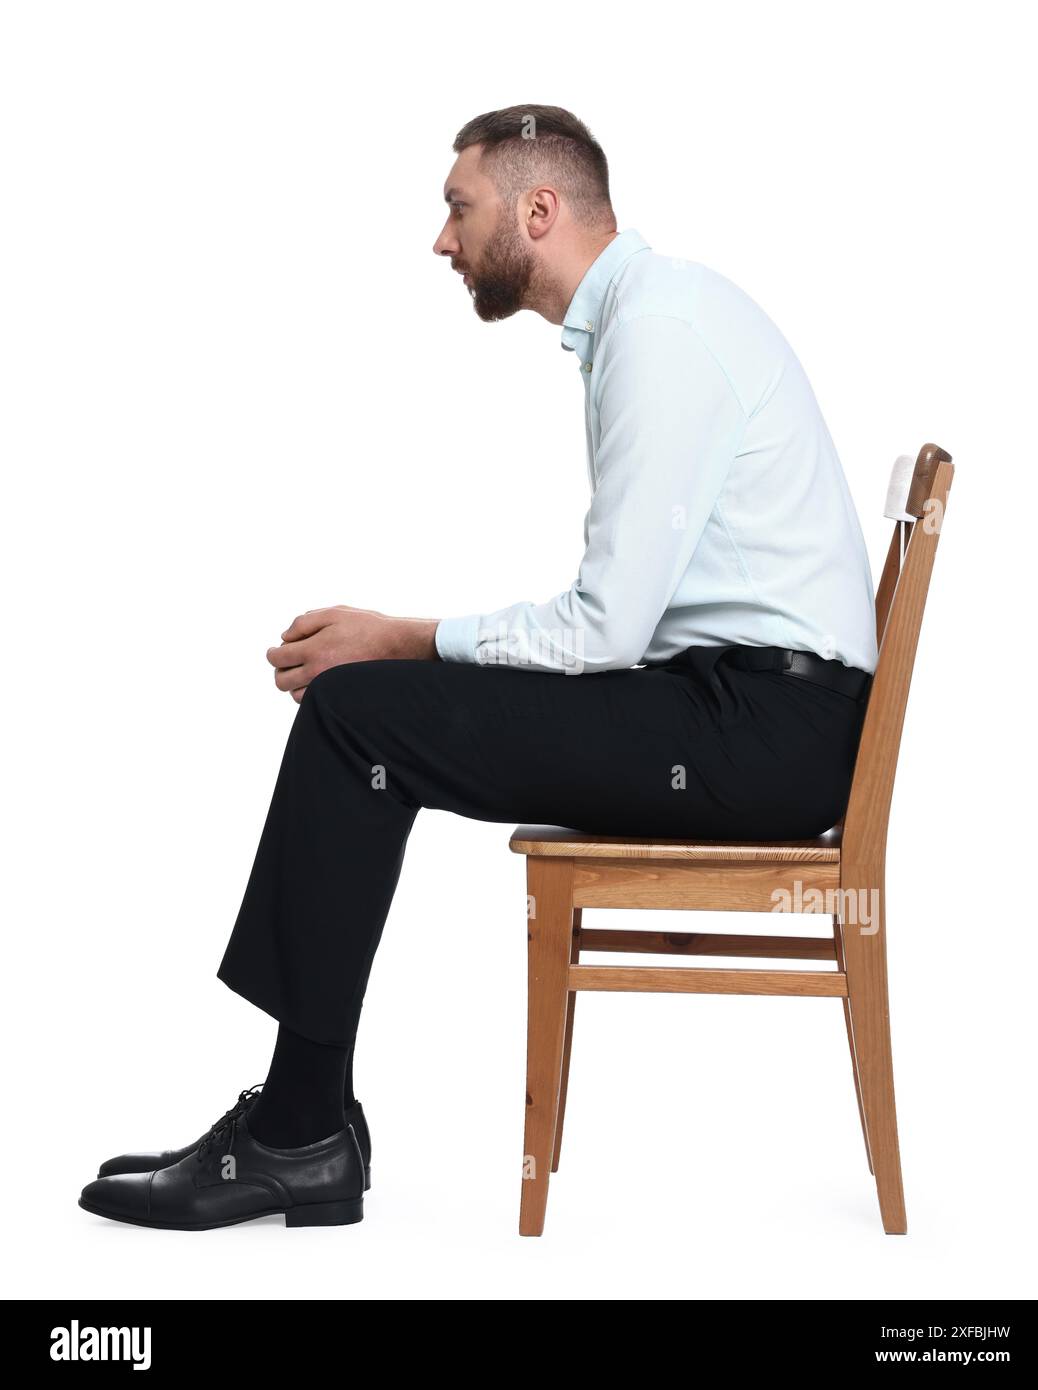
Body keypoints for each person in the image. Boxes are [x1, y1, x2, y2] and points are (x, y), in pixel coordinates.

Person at [79, 104, 877, 1231]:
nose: (441, 241)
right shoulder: (649, 320)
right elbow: (627, 630)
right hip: (736, 709)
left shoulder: (661, 332)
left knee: (358, 716)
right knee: (362, 717)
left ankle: (299, 1130)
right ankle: (303, 1120)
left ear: (536, 210)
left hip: (757, 735)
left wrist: (400, 634)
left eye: (458, 208)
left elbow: (604, 634)